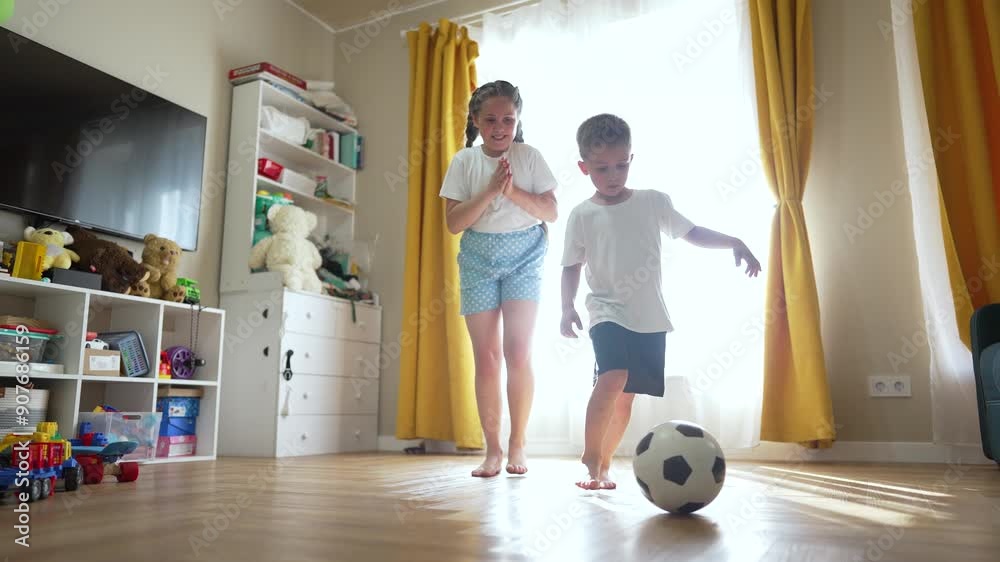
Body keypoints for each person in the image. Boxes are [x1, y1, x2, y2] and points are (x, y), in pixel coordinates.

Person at [560, 113, 761, 490]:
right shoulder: (582, 215)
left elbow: (692, 232)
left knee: (625, 398)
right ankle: (591, 456)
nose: (613, 175)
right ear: (584, 167)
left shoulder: (653, 202)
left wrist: (734, 241)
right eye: (602, 168)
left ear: (631, 159)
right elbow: (571, 265)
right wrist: (567, 307)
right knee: (612, 376)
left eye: (621, 165)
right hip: (605, 310)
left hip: (649, 316)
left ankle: (604, 466)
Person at [440, 80, 559, 477]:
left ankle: (517, 445)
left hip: (525, 257)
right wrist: (491, 191)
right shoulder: (464, 162)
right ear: (476, 121)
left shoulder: (529, 157)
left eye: (508, 119)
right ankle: (492, 450)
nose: (500, 127)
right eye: (490, 119)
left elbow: (550, 211)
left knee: (518, 352)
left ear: (517, 119)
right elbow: (454, 223)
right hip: (478, 260)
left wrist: (510, 192)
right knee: (487, 359)